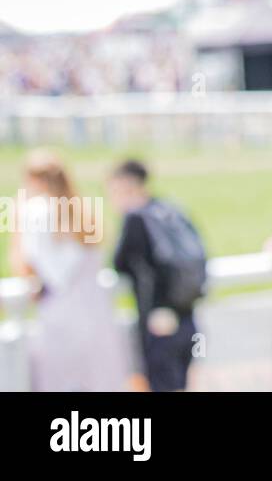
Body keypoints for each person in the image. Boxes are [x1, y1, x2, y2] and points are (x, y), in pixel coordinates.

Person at [8, 151, 132, 391]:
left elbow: (39, 265)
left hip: (61, 314)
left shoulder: (35, 210)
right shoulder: (81, 209)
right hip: (97, 309)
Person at [107, 159, 207, 392]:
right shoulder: (171, 209)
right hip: (187, 317)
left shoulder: (135, 218)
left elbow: (119, 263)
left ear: (126, 185)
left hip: (157, 321)